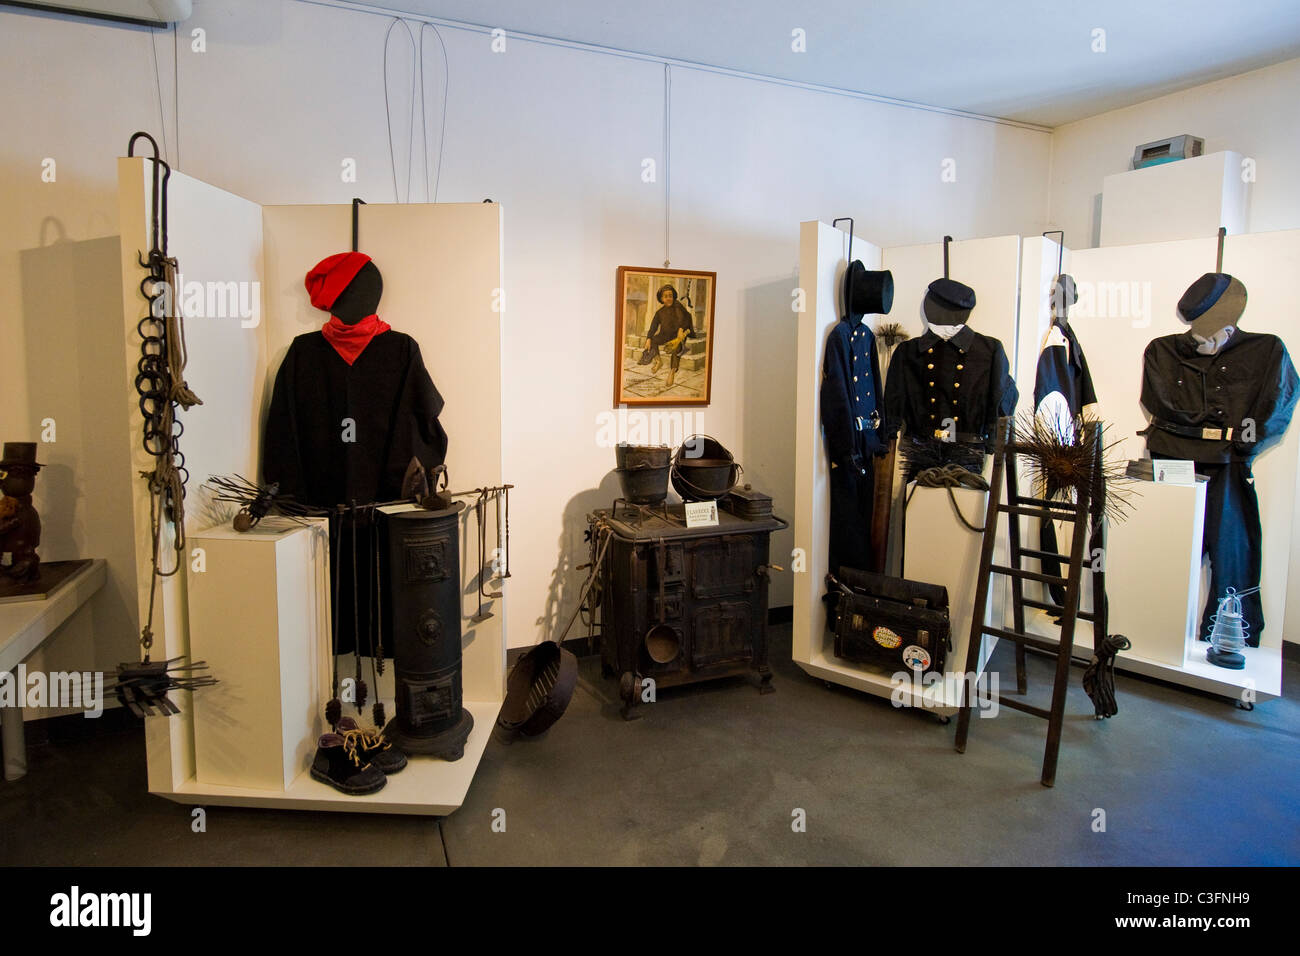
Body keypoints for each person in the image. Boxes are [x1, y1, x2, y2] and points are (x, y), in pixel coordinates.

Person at [643, 284, 694, 388]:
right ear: (661, 299)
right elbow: (653, 327)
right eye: (666, 296)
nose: (668, 298)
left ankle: (672, 372)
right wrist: (648, 338)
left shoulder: (678, 306)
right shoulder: (659, 313)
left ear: (673, 296)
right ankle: (658, 361)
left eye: (670, 296)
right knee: (653, 340)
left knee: (676, 350)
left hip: (678, 336)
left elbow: (686, 318)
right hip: (665, 335)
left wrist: (681, 329)